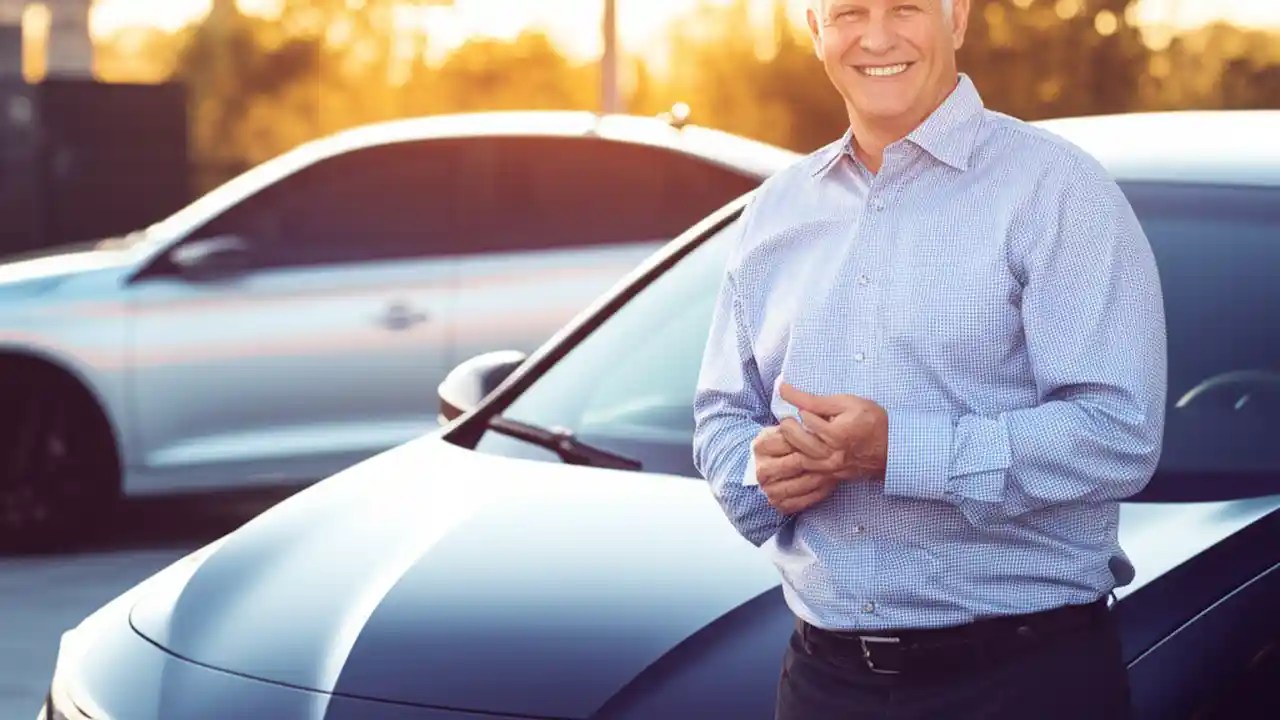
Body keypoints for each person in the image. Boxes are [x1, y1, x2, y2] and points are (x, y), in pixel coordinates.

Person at [690, 0, 1167, 718]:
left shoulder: (1058, 190)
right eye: (850, 13)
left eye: (905, 8)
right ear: (816, 30)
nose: (877, 37)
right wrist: (763, 474)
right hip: (823, 682)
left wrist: (897, 452)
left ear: (958, 19)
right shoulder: (774, 211)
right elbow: (722, 416)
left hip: (1022, 683)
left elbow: (1117, 433)